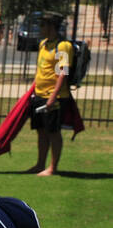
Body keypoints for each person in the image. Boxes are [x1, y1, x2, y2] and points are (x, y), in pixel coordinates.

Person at [24, 12, 74, 176]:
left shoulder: (62, 46)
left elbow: (63, 73)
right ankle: (40, 164)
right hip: (39, 95)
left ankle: (52, 168)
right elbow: (41, 69)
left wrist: (53, 97)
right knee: (41, 131)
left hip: (55, 97)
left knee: (53, 132)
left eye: (43, 25)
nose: (40, 28)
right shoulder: (43, 44)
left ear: (52, 26)